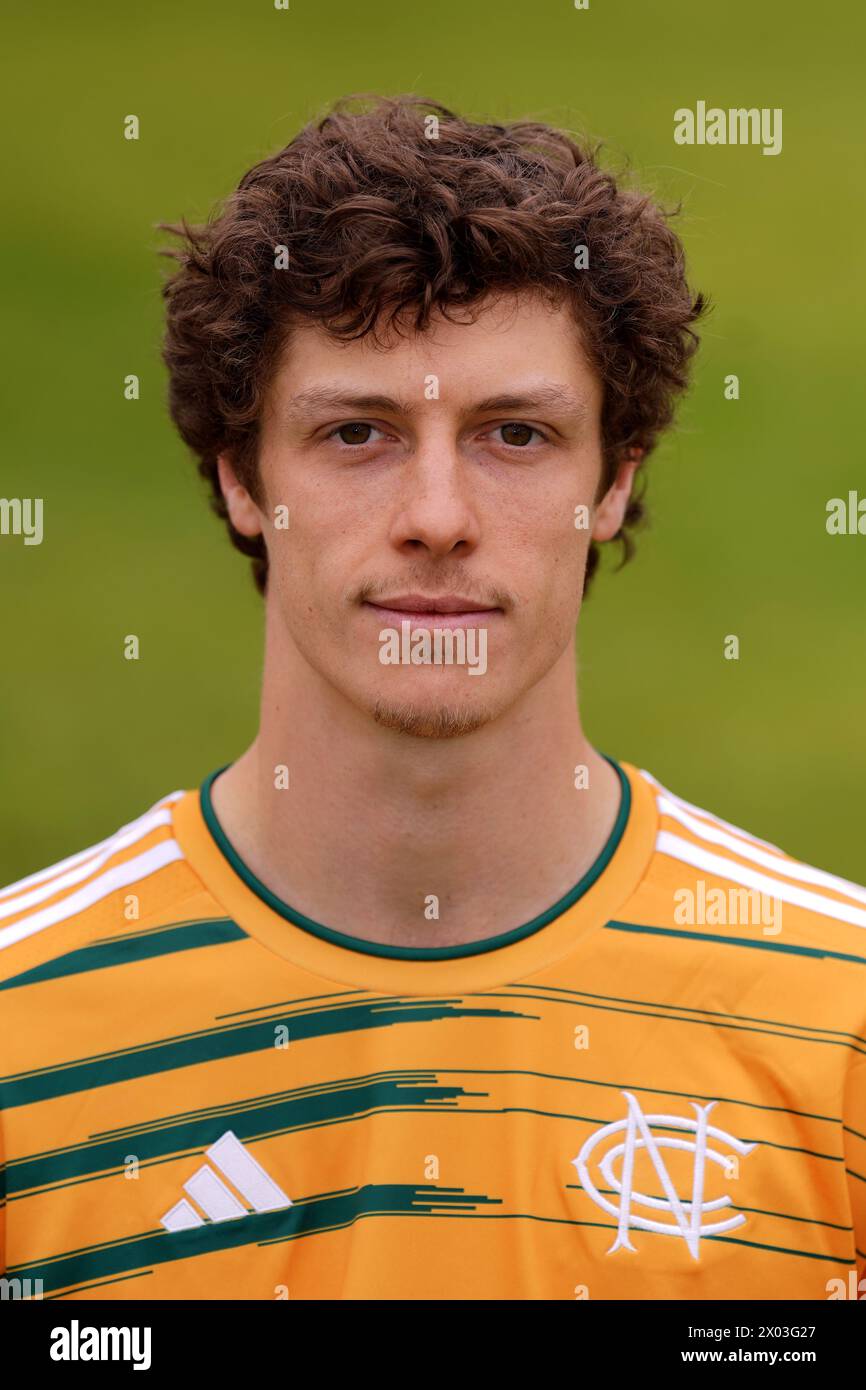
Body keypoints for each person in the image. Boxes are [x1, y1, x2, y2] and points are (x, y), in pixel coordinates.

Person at [1, 95, 863, 1302]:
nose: (439, 518)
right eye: (357, 433)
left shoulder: (835, 1034)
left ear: (611, 481)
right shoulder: (19, 1035)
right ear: (242, 478)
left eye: (513, 435)